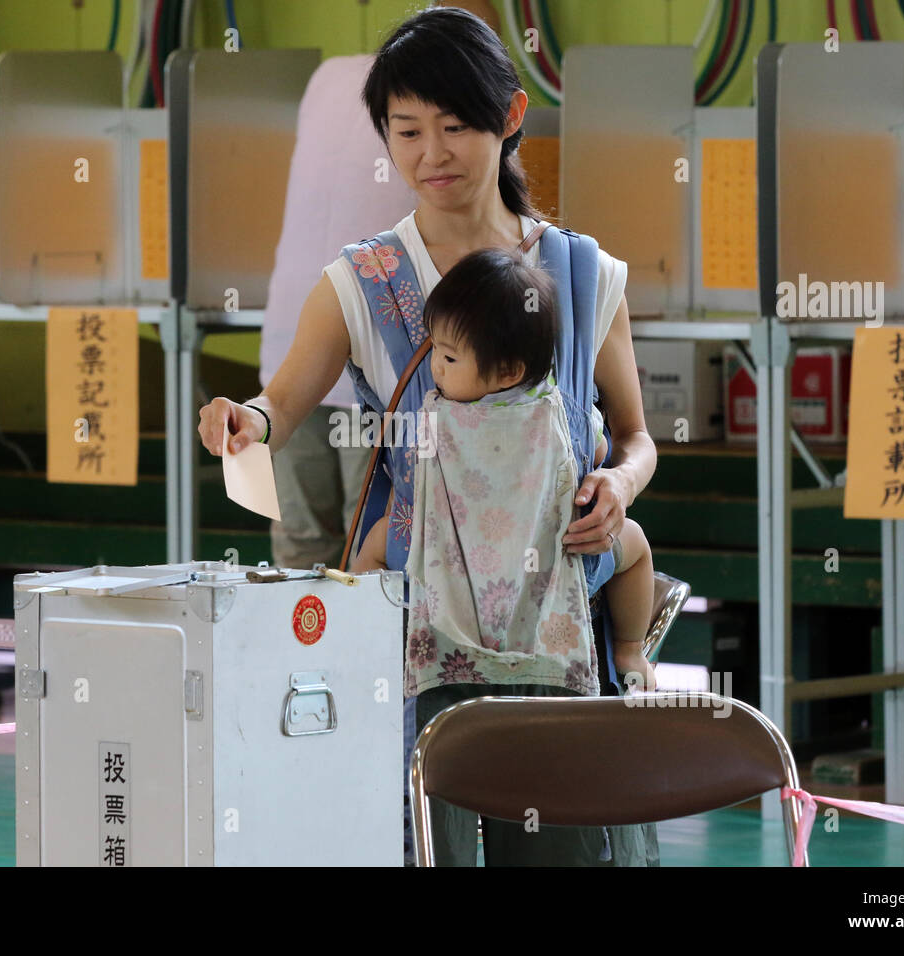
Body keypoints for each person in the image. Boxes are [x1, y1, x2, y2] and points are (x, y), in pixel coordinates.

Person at [198, 6, 659, 866]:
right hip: (417, 648)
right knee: (422, 850)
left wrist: (620, 488)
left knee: (563, 851)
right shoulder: (361, 280)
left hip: (557, 641)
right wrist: (244, 422)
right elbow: (283, 404)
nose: (430, 155)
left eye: (454, 127)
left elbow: (636, 439)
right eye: (406, 130)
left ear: (510, 117)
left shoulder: (583, 272)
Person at [351, 247, 657, 694]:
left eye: (449, 358)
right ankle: (631, 648)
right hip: (552, 564)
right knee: (636, 546)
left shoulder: (438, 415)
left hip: (453, 578)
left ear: (510, 369)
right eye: (436, 349)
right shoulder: (558, 409)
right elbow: (595, 444)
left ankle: (360, 641)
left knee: (377, 543)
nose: (435, 366)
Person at [260, 54, 417, 570]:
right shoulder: (432, 93)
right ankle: (348, 650)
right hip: (359, 355)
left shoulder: (328, 77)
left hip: (309, 346)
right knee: (366, 540)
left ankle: (306, 649)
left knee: (308, 540)